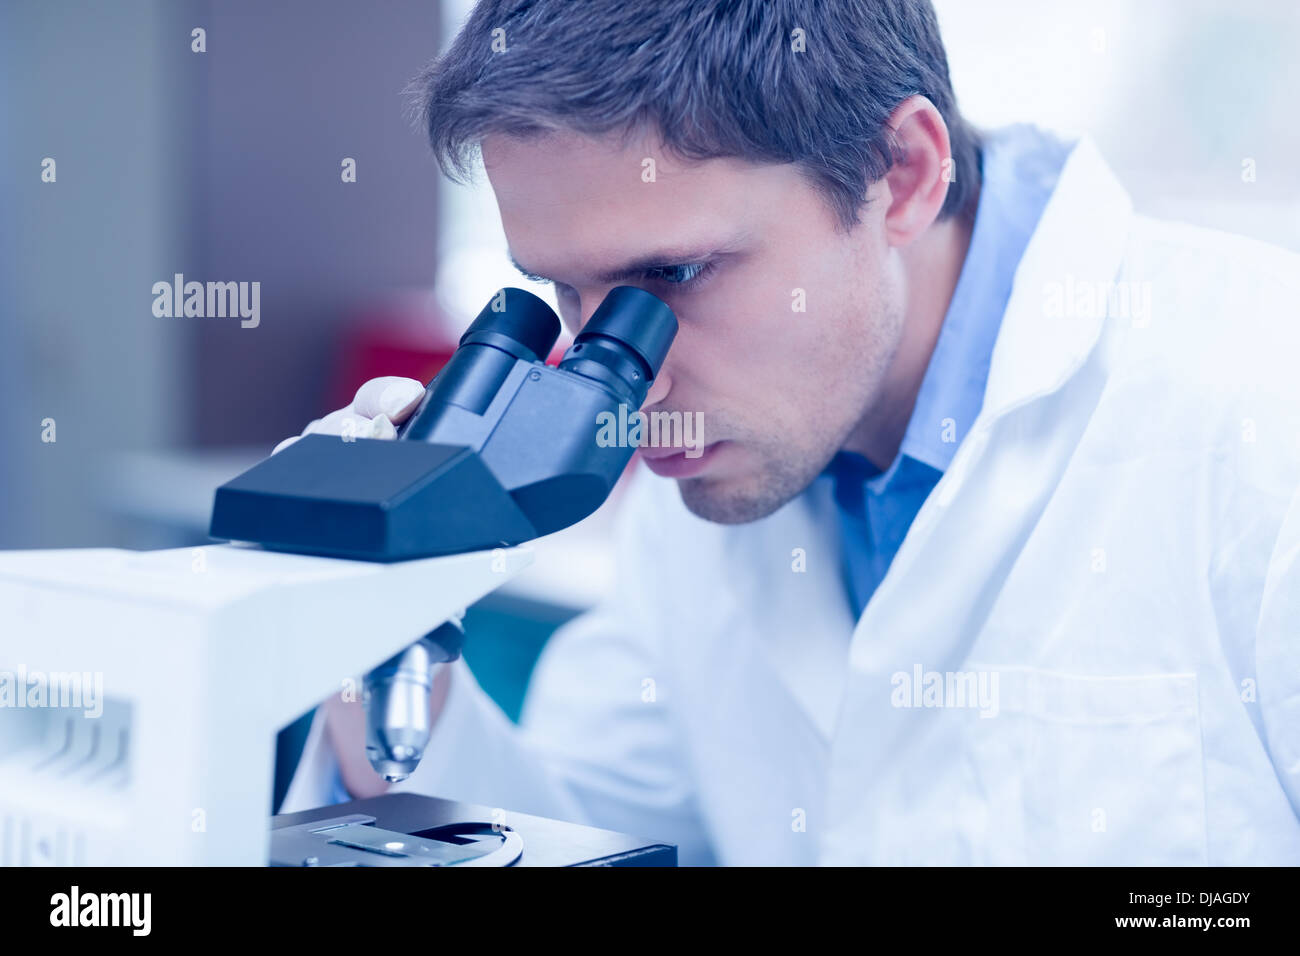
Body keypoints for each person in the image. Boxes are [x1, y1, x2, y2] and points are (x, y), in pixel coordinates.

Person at [279, 0, 1300, 864]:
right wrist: (386, 633)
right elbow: (569, 834)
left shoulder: (1258, 410)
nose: (628, 381)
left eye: (674, 276)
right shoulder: (713, 465)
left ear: (901, 173)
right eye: (563, 294)